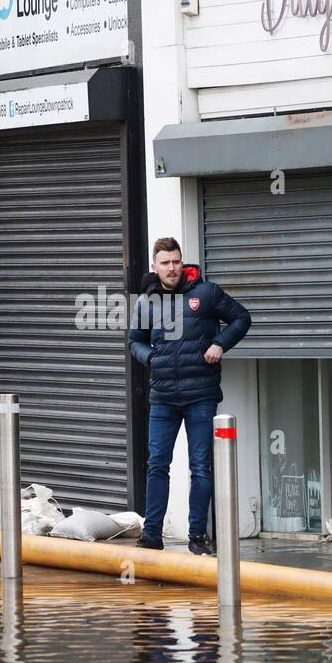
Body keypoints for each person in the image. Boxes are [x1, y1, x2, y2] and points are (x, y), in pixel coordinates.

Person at [128, 237, 251, 554]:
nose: (172, 268)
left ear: (183, 263)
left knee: (200, 467)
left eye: (176, 261)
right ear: (154, 267)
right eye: (165, 263)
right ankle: (151, 535)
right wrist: (150, 357)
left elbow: (241, 318)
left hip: (201, 395)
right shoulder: (146, 303)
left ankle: (197, 537)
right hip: (163, 397)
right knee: (157, 465)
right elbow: (134, 341)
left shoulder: (206, 293)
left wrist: (220, 343)